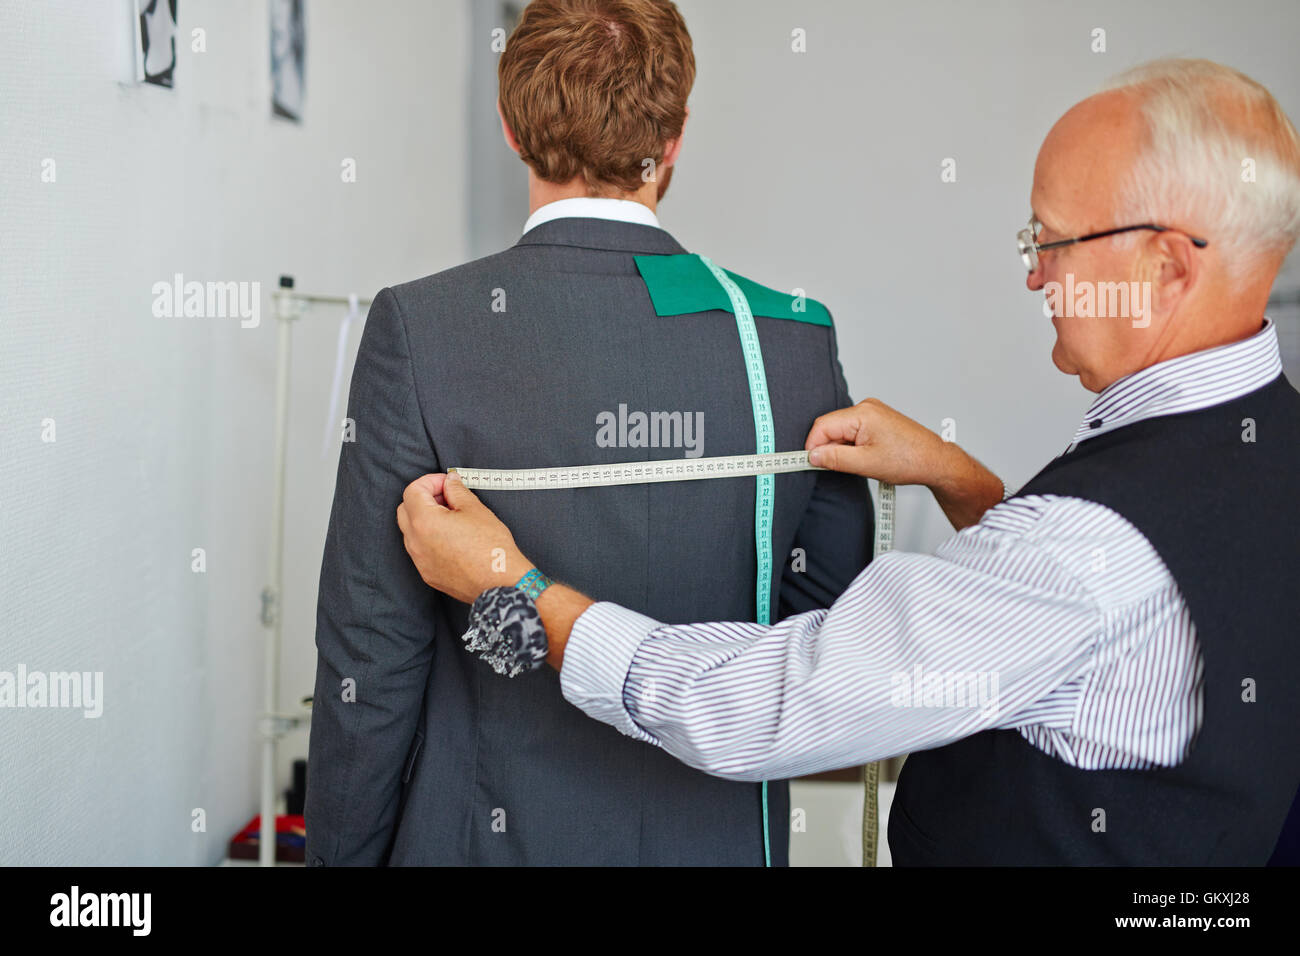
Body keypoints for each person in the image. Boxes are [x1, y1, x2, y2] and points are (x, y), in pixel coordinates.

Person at [398, 58, 1300, 865]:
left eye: (1050, 242)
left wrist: (508, 587)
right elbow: (1092, 652)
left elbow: (765, 707)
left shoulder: (1078, 553)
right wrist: (962, 479)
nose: (1034, 276)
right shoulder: (1262, 445)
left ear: (1168, 269)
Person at [304, 0, 874, 866]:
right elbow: (825, 617)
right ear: (676, 134)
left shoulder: (423, 328)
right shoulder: (792, 338)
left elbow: (369, 656)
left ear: (510, 126)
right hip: (715, 840)